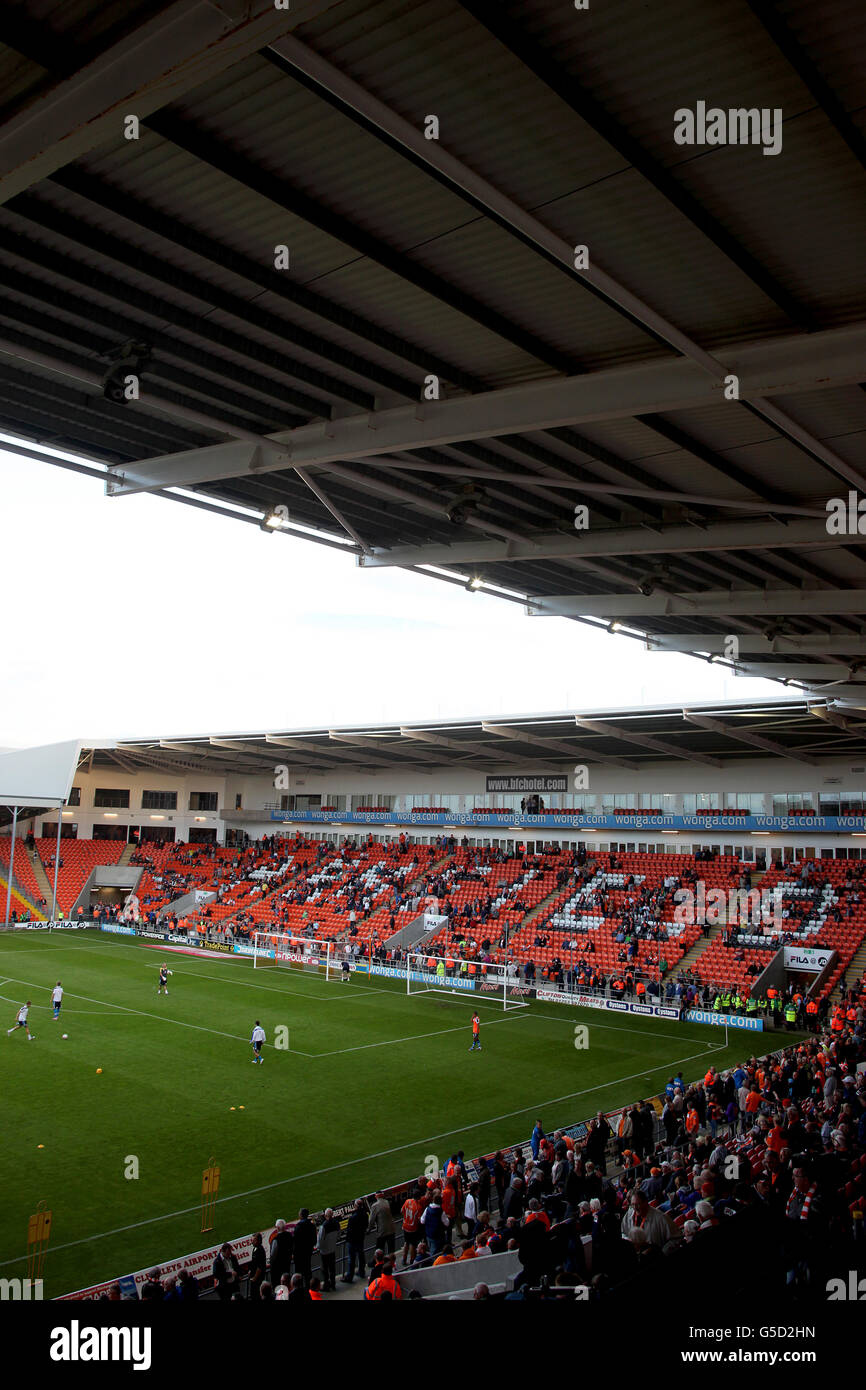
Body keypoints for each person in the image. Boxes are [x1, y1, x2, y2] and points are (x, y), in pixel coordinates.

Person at [316, 1208, 340, 1292]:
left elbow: (320, 1240)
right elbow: (339, 1235)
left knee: (325, 1269)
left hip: (325, 1251)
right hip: (332, 1249)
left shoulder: (324, 1226)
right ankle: (333, 1284)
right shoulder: (337, 1223)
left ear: (326, 1216)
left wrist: (318, 1247)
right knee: (332, 1268)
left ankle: (326, 1285)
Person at [293, 1209, 316, 1288]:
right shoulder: (312, 1226)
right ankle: (309, 1290)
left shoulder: (298, 1227)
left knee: (299, 1275)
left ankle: (300, 1292)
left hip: (299, 1255)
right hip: (308, 1252)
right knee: (308, 1272)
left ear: (301, 1215)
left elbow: (295, 1243)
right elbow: (314, 1240)